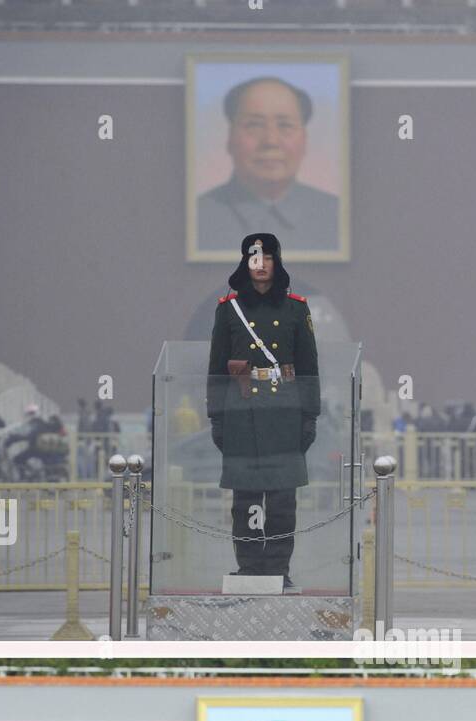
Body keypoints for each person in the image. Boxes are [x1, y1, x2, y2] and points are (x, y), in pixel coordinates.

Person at [207, 233, 320, 589]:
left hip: (284, 413)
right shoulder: (229, 309)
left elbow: (308, 368)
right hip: (242, 413)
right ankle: (250, 568)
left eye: (266, 257)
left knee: (283, 500)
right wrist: (217, 416)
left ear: (276, 262)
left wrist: (309, 415)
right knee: (245, 499)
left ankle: (278, 568)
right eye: (253, 257)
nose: (259, 264)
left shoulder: (295, 309)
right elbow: (215, 368)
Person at [197, 76, 340, 254]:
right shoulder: (195, 218)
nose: (270, 141)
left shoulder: (337, 217)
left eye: (285, 125)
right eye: (254, 125)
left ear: (304, 140)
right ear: (230, 138)